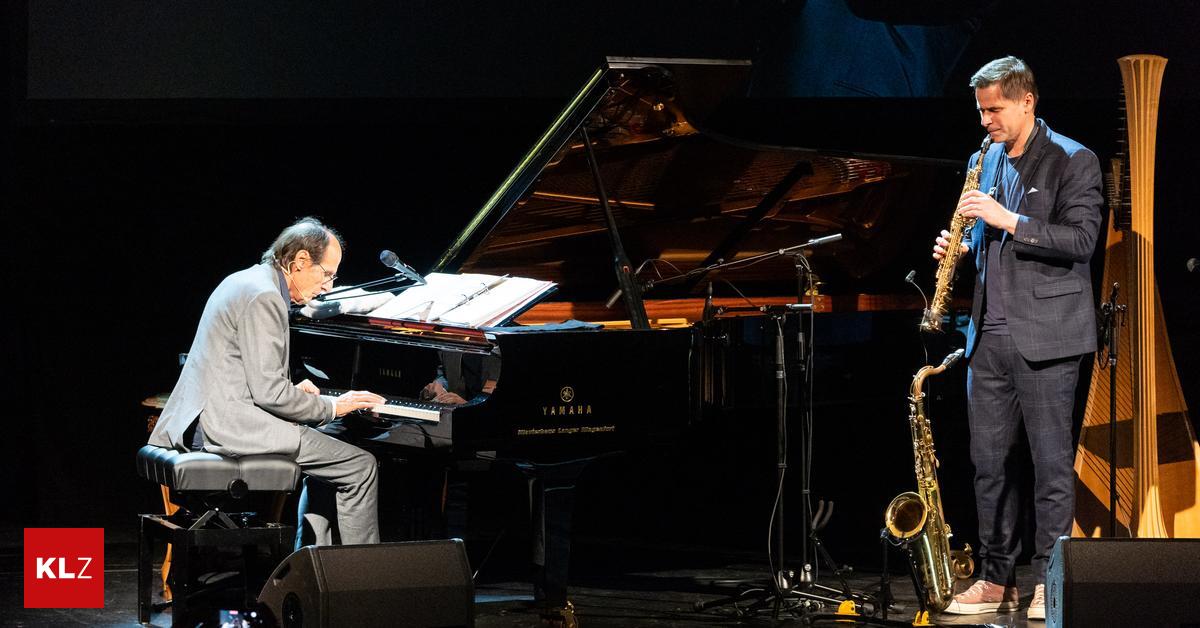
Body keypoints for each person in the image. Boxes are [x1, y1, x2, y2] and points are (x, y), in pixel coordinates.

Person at [931, 56, 1102, 621]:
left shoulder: (1074, 160)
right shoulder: (982, 160)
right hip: (990, 338)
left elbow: (1081, 240)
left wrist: (1007, 221)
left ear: (1027, 100)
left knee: (1050, 465)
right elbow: (989, 240)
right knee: (989, 464)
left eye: (995, 109)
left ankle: (1047, 582)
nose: (986, 121)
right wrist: (960, 246)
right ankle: (994, 578)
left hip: (1049, 337)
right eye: (981, 111)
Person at [149, 216, 387, 547]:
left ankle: (316, 563)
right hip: (231, 426)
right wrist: (335, 405)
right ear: (301, 261)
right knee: (360, 465)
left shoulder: (246, 280)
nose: (329, 287)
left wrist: (298, 394)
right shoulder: (265, 296)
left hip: (209, 416)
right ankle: (361, 580)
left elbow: (249, 373)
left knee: (332, 448)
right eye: (328, 275)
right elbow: (271, 394)